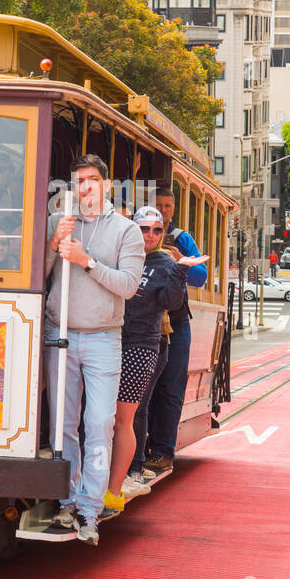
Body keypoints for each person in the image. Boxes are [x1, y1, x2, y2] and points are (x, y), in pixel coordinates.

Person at [43, 154, 144, 546]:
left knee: (99, 422)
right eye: (78, 181)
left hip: (104, 337)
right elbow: (36, 273)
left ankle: (90, 508)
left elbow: (128, 285)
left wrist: (86, 261)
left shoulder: (125, 231)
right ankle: (67, 501)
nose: (84, 187)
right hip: (60, 332)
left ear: (105, 184)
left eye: (90, 180)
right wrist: (54, 245)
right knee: (63, 423)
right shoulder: (59, 223)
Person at [104, 206, 207, 516]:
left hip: (147, 342)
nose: (150, 235)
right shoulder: (119, 253)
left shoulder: (165, 261)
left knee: (137, 409)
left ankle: (134, 470)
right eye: (144, 228)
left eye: (156, 230)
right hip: (109, 339)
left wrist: (179, 270)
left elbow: (172, 302)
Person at [143, 185, 208, 477]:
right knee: (142, 391)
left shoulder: (182, 238)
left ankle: (161, 453)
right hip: (145, 322)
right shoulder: (139, 237)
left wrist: (179, 258)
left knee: (171, 388)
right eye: (159, 205)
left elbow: (200, 277)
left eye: (169, 205)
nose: (165, 210)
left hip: (177, 321)